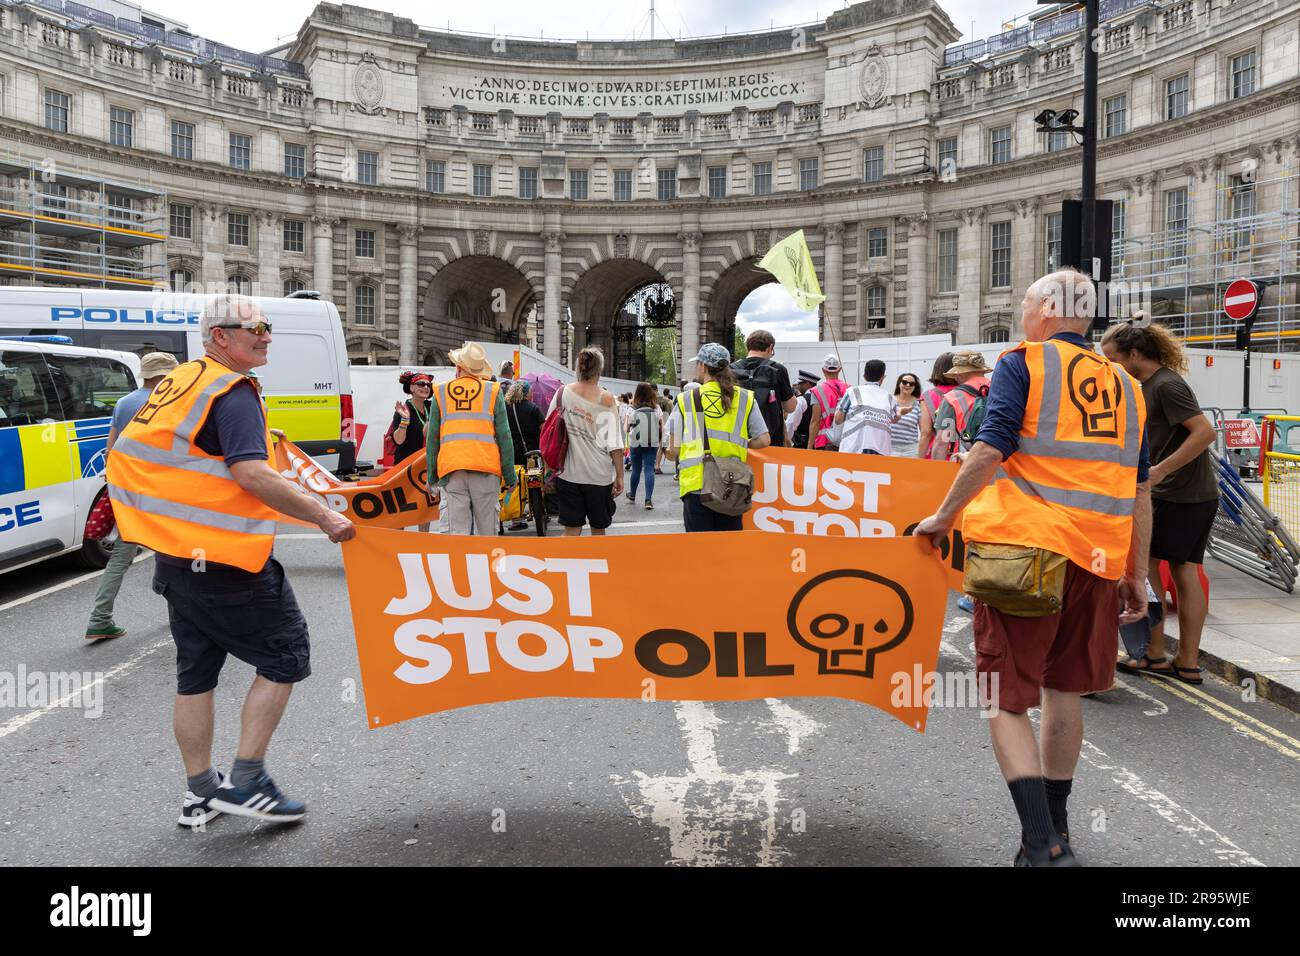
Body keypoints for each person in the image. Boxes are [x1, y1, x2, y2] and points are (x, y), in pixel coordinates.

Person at [914, 268, 1152, 867]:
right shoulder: (1126, 384)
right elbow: (1140, 489)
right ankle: (1058, 830)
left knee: (1004, 696)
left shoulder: (1026, 362)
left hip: (1027, 551)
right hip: (1096, 556)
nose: (1023, 313)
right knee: (1065, 687)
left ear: (1047, 307)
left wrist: (942, 518)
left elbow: (991, 448)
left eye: (1025, 303)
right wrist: (1135, 572)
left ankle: (1042, 843)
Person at [106, 295, 356, 827]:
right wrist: (324, 516)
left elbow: (173, 454)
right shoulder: (233, 390)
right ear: (220, 336)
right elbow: (249, 475)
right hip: (227, 561)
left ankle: (202, 792)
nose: (267, 336)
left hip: (177, 557)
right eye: (256, 328)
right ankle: (247, 782)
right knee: (287, 655)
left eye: (268, 327)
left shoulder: (183, 381)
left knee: (195, 674)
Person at [1103, 319, 1218, 685]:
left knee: (1150, 567)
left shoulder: (1166, 385)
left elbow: (1205, 432)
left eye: (1114, 359)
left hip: (1181, 495)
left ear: (1134, 354)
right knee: (1178, 570)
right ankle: (1182, 661)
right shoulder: (1152, 385)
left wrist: (1161, 471)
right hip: (1188, 495)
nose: (1112, 366)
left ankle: (1157, 655)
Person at [84, 351, 179, 641]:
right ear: (163, 376)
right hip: (160, 491)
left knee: (121, 558)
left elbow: (111, 447)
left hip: (128, 491)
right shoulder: (168, 402)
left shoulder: (125, 402)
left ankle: (100, 618)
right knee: (174, 554)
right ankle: (181, 615)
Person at [664, 343, 771, 532]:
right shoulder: (745, 398)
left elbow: (675, 450)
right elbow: (764, 440)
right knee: (728, 551)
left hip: (696, 485)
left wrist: (669, 453)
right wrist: (740, 444)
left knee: (700, 552)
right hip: (732, 484)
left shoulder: (686, 399)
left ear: (703, 366)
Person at [426, 341, 516, 535]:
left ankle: (460, 566)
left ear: (458, 367)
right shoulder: (492, 391)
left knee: (456, 536)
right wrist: (510, 475)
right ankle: (486, 565)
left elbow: (433, 439)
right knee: (487, 535)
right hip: (485, 469)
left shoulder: (440, 392)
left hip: (452, 470)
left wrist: (432, 476)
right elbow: (504, 436)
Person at [548, 347, 624, 535]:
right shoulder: (606, 399)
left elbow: (548, 428)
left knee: (571, 531)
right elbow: (614, 444)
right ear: (599, 370)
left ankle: (568, 564)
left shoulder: (562, 393)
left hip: (568, 474)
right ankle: (597, 564)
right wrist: (620, 476)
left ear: (577, 368)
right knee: (598, 531)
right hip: (598, 477)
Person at [731, 329, 798, 446]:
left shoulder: (731, 369)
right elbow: (790, 407)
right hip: (770, 440)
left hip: (737, 439)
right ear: (770, 347)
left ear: (748, 347)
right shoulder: (778, 369)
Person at [930, 350, 992, 461]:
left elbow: (942, 442)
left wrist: (936, 474)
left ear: (958, 374)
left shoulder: (952, 398)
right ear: (982, 370)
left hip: (969, 462)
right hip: (1002, 461)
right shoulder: (1000, 389)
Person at [504, 380, 544, 531]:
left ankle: (515, 518)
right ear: (525, 392)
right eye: (530, 391)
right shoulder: (533, 408)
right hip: (531, 453)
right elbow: (544, 428)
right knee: (535, 480)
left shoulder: (505, 408)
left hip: (511, 453)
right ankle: (539, 507)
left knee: (515, 484)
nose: (532, 394)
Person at [833, 359, 893, 456]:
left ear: (864, 376)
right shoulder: (889, 397)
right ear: (882, 377)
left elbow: (838, 419)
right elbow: (894, 420)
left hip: (853, 450)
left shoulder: (853, 391)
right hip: (880, 452)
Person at [626, 382, 662, 510]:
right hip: (652, 443)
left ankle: (632, 494)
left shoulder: (632, 409)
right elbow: (661, 427)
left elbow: (626, 428)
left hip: (636, 442)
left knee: (636, 470)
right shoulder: (656, 408)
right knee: (648, 469)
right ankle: (648, 500)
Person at [916, 352, 956, 459]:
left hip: (937, 454)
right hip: (964, 454)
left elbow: (926, 432)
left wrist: (919, 460)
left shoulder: (928, 396)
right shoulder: (967, 393)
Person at [804, 354, 848, 451]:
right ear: (840, 369)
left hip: (824, 442)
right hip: (845, 442)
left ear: (823, 370)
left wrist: (809, 447)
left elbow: (815, 420)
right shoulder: (849, 389)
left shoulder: (818, 391)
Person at [389, 371, 433, 465]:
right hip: (407, 466)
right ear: (412, 387)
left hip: (427, 464)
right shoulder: (404, 410)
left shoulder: (433, 407)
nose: (426, 387)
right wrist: (404, 420)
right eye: (421, 384)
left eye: (428, 385)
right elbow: (399, 441)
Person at [890, 372, 924, 457]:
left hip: (911, 449)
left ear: (914, 387)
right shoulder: (890, 400)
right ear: (899, 384)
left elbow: (923, 429)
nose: (908, 385)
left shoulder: (918, 404)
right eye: (904, 382)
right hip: (890, 447)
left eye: (911, 384)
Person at [786, 370, 819, 450]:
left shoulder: (801, 400)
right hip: (820, 443)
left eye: (800, 384)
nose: (798, 386)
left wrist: (786, 440)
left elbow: (791, 423)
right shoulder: (822, 398)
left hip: (802, 444)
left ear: (807, 384)